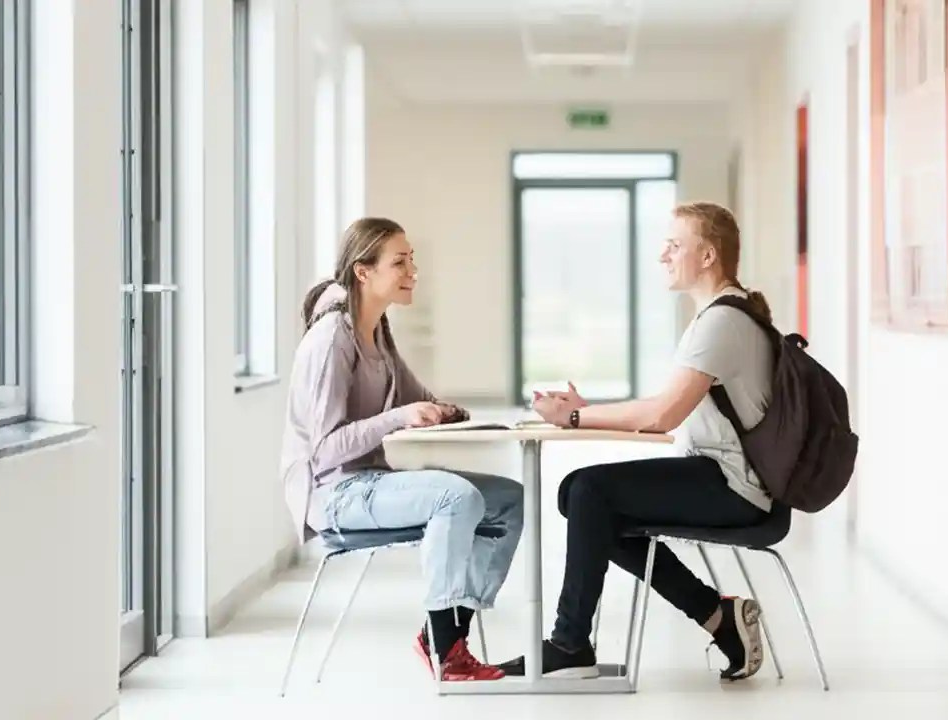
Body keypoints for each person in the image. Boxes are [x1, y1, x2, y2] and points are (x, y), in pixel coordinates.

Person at [497, 201, 775, 681]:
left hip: (733, 486)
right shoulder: (719, 315)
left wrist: (578, 416)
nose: (662, 255)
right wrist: (586, 410)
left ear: (707, 255)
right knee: (580, 497)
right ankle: (715, 615)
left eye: (674, 245)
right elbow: (663, 405)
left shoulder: (722, 322)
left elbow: (664, 413)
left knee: (590, 493)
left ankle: (569, 643)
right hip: (716, 473)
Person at [280, 217, 523, 682]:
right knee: (456, 497)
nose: (413, 270)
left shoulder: (378, 330)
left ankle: (443, 636)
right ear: (363, 272)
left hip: (371, 481)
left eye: (412, 259)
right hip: (334, 493)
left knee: (507, 499)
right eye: (400, 261)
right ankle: (445, 649)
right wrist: (398, 418)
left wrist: (444, 411)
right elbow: (325, 451)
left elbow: (418, 398)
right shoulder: (331, 339)